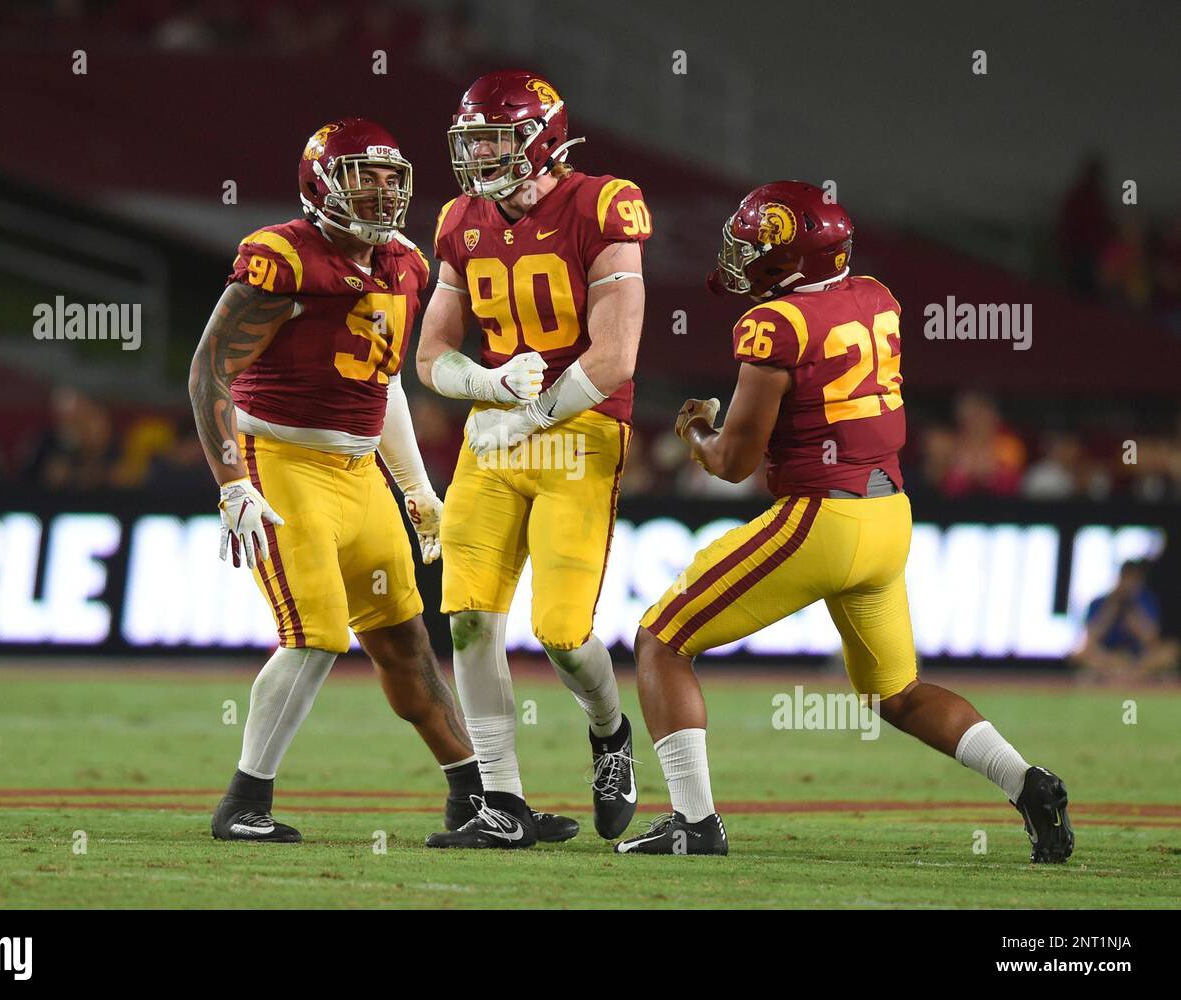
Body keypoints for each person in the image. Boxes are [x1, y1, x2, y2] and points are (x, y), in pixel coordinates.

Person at [614, 182, 1074, 864]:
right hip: (888, 514)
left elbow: (734, 463)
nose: (742, 256)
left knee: (660, 639)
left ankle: (694, 822)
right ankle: (1026, 782)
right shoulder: (876, 296)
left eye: (755, 245)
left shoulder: (773, 324)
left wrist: (699, 431)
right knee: (898, 694)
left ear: (790, 256)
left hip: (821, 518)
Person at [189, 118, 526, 843]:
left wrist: (417, 490)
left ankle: (474, 798)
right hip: (281, 461)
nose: (379, 192)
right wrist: (231, 481)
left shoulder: (404, 263)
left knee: (404, 640)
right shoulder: (283, 257)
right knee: (314, 635)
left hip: (361, 469)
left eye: (388, 178)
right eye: (360, 177)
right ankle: (243, 803)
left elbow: (386, 385)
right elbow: (209, 369)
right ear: (320, 184)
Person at [416, 70, 650, 848]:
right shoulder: (460, 219)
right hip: (493, 437)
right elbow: (431, 356)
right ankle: (504, 804)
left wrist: (532, 414)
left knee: (561, 631)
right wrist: (489, 387)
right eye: (472, 140)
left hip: (579, 432)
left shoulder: (601, 203)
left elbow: (615, 357)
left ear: (541, 139)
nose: (479, 155)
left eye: (494, 139)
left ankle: (610, 733)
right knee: (468, 619)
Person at [1073, 560, 1179, 680]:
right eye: (1126, 578)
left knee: (1170, 651)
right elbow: (1089, 641)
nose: (1129, 584)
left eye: (1133, 579)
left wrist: (1133, 614)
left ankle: (1128, 675)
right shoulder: (1099, 602)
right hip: (1107, 658)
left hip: (1137, 660)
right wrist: (1110, 610)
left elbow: (1153, 641)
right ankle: (1125, 675)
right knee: (1081, 653)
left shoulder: (1146, 602)